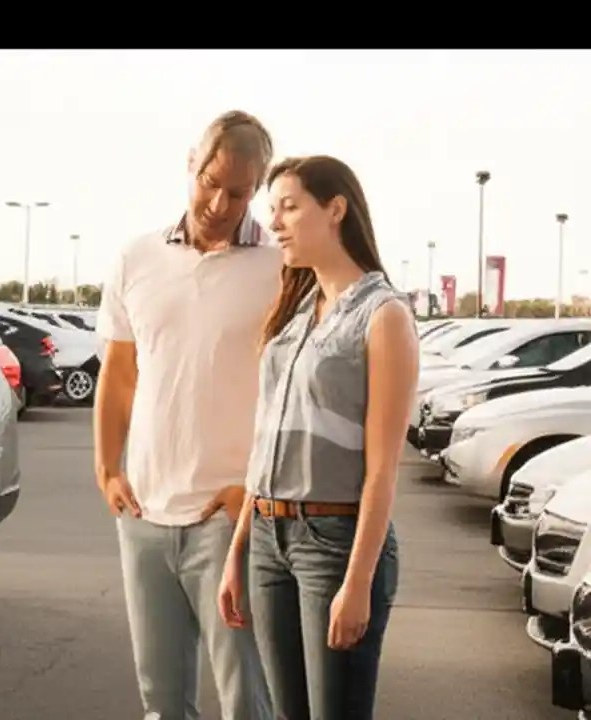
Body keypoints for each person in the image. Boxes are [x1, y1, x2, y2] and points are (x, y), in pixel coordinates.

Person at [216, 155, 418, 720]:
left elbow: (382, 470)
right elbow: (264, 446)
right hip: (266, 537)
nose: (273, 223)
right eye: (270, 210)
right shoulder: (296, 311)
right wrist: (239, 550)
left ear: (335, 210)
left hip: (335, 542)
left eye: (288, 206)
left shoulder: (383, 317)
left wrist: (358, 583)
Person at [94, 110, 279, 720]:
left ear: (259, 189)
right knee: (162, 703)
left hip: (226, 520)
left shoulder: (281, 267)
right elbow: (120, 374)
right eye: (210, 180)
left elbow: (294, 390)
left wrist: (250, 494)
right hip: (143, 515)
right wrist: (108, 469)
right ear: (191, 164)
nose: (220, 202)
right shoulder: (135, 258)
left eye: (239, 191)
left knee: (243, 700)